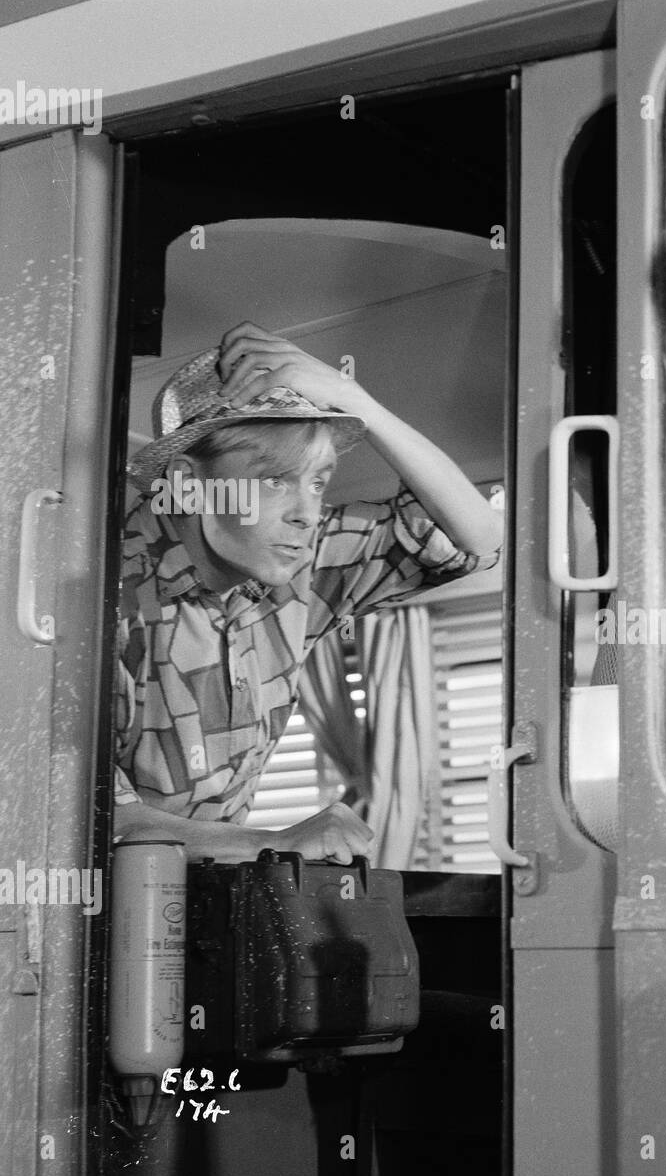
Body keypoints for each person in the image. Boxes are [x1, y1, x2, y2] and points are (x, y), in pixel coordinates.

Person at [113, 322, 502, 862]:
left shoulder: (299, 566)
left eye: (317, 482)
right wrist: (274, 844)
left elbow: (478, 539)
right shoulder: (105, 597)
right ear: (186, 482)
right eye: (274, 481)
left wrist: (353, 400)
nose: (306, 513)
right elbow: (90, 816)